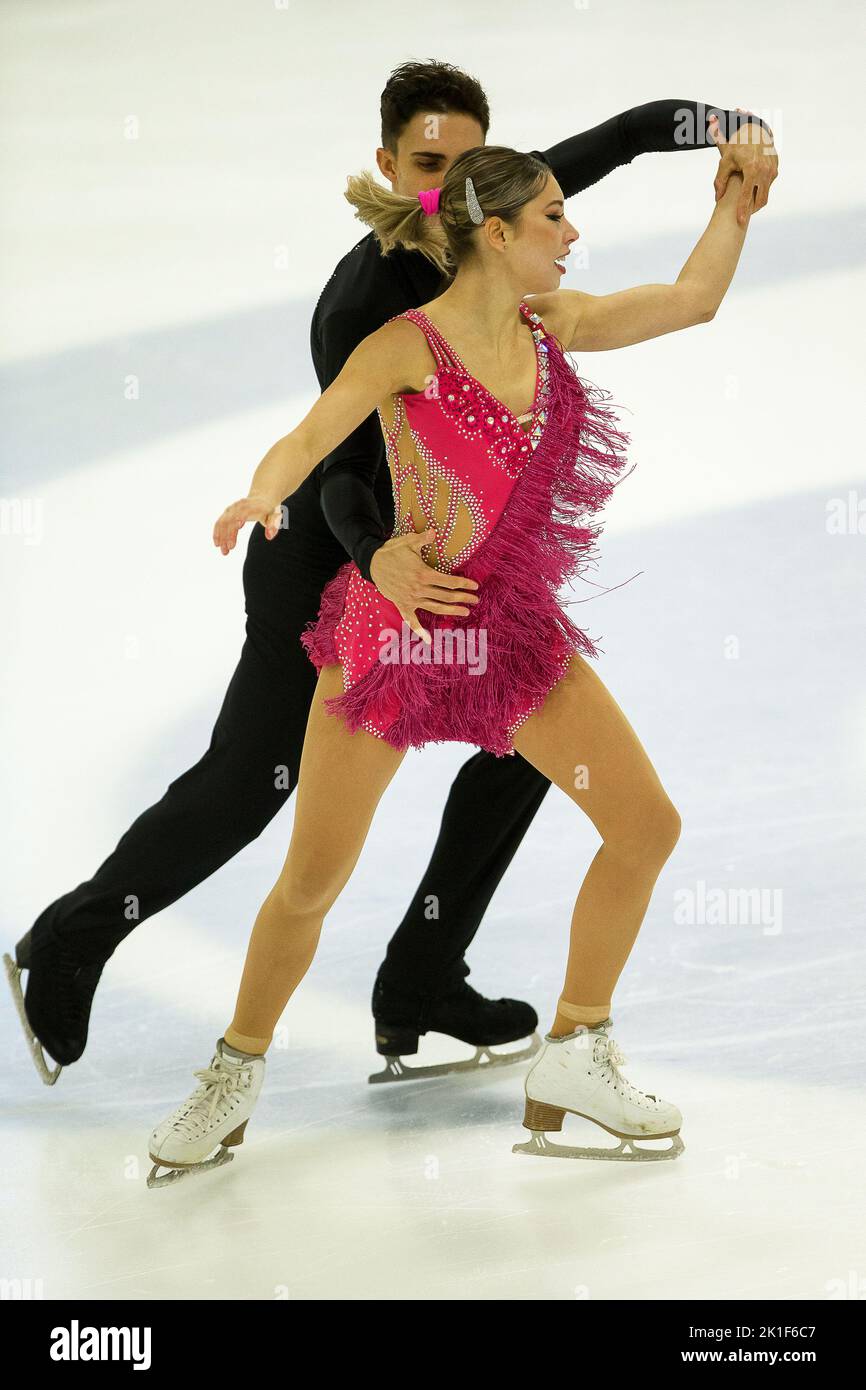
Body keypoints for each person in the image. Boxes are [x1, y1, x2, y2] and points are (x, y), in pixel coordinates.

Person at [3, 62, 777, 1092]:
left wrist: (740, 133)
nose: (448, 184)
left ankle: (418, 977)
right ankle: (73, 935)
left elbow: (638, 130)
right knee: (253, 784)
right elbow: (339, 473)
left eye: (468, 164)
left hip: (449, 569)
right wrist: (377, 559)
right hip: (331, 547)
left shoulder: (510, 247)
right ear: (388, 165)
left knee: (521, 742)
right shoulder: (370, 307)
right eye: (426, 165)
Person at [144, 135, 756, 1186]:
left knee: (643, 825)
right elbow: (305, 440)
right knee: (311, 879)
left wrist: (734, 208)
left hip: (507, 630)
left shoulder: (551, 322)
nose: (573, 234)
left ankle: (573, 1049)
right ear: (496, 231)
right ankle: (232, 1073)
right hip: (396, 635)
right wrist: (260, 493)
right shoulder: (404, 347)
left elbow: (690, 300)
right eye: (555, 217)